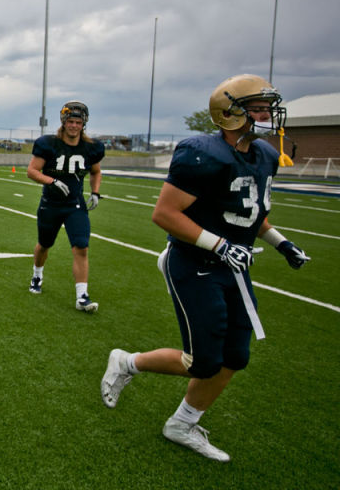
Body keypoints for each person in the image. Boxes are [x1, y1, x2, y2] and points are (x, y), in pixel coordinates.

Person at [100, 74, 311, 462]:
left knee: (236, 356)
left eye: (268, 107)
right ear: (231, 114)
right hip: (194, 262)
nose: (268, 115)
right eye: (259, 108)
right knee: (204, 361)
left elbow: (248, 215)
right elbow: (164, 214)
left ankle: (182, 423)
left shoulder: (264, 154)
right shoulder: (203, 152)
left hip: (232, 265)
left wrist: (282, 243)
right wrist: (220, 244)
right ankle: (128, 362)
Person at [26, 101, 105, 312]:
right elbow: (32, 171)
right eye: (70, 121)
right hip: (50, 204)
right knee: (44, 245)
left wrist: (95, 192)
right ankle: (37, 275)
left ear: (83, 124)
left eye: (78, 122)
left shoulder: (90, 147)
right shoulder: (49, 143)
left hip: (75, 204)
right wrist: (52, 181)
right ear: (63, 122)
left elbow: (96, 171)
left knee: (81, 246)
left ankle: (82, 296)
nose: (74, 126)